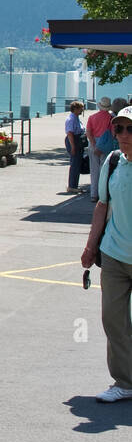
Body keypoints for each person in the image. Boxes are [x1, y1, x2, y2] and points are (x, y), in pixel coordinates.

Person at [81, 106, 132, 402]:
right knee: (113, 321)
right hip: (113, 254)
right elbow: (102, 205)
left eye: (130, 129)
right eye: (119, 129)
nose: (124, 135)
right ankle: (124, 382)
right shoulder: (113, 162)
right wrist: (90, 247)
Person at [88, 97, 114, 202]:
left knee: (94, 170)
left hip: (94, 142)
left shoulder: (92, 117)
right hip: (106, 144)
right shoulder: (111, 118)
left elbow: (88, 132)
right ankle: (102, 194)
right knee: (104, 169)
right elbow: (113, 134)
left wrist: (94, 145)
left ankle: (93, 194)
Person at [65, 100, 85, 194]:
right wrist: (73, 147)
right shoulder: (71, 119)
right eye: (81, 108)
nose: (82, 110)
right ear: (75, 109)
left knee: (77, 163)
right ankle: (72, 186)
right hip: (73, 140)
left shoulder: (76, 118)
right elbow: (70, 133)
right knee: (75, 163)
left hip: (78, 140)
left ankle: (74, 185)